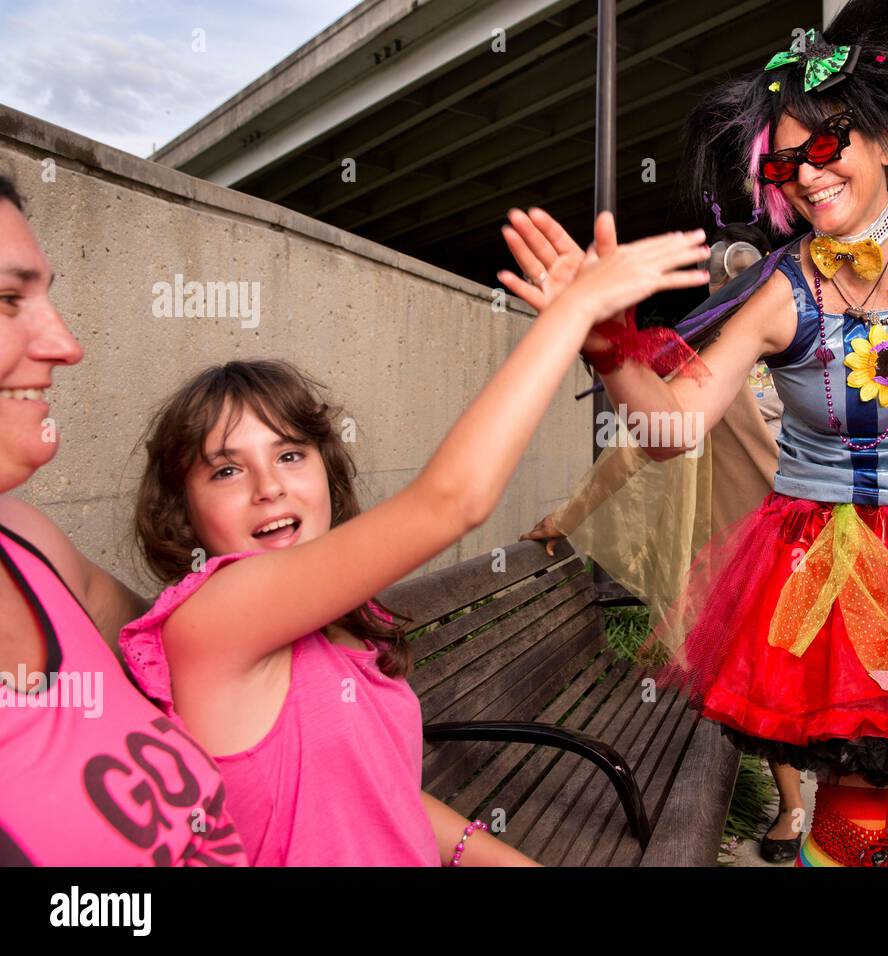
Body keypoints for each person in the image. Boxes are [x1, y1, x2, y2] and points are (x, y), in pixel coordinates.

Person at [498, 0, 888, 867]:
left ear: (884, 144)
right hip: (823, 569)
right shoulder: (778, 291)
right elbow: (672, 428)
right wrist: (605, 343)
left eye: (827, 146)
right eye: (784, 165)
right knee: (855, 792)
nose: (806, 177)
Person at [114, 228, 711, 865]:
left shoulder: (338, 620)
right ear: (181, 509)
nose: (269, 487)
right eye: (227, 470)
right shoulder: (210, 617)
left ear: (326, 470)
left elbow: (383, 795)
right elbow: (451, 501)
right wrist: (574, 312)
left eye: (290, 455)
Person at [506, 209, 888, 863]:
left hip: (872, 537)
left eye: (754, 275)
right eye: (732, 280)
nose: (747, 289)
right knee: (788, 688)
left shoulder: (832, 331)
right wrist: (570, 515)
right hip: (773, 548)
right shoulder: (709, 361)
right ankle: (799, 806)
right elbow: (643, 446)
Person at [0, 173, 249, 865]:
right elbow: (447, 504)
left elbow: (188, 643)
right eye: (6, 299)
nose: (66, 344)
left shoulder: (30, 544)